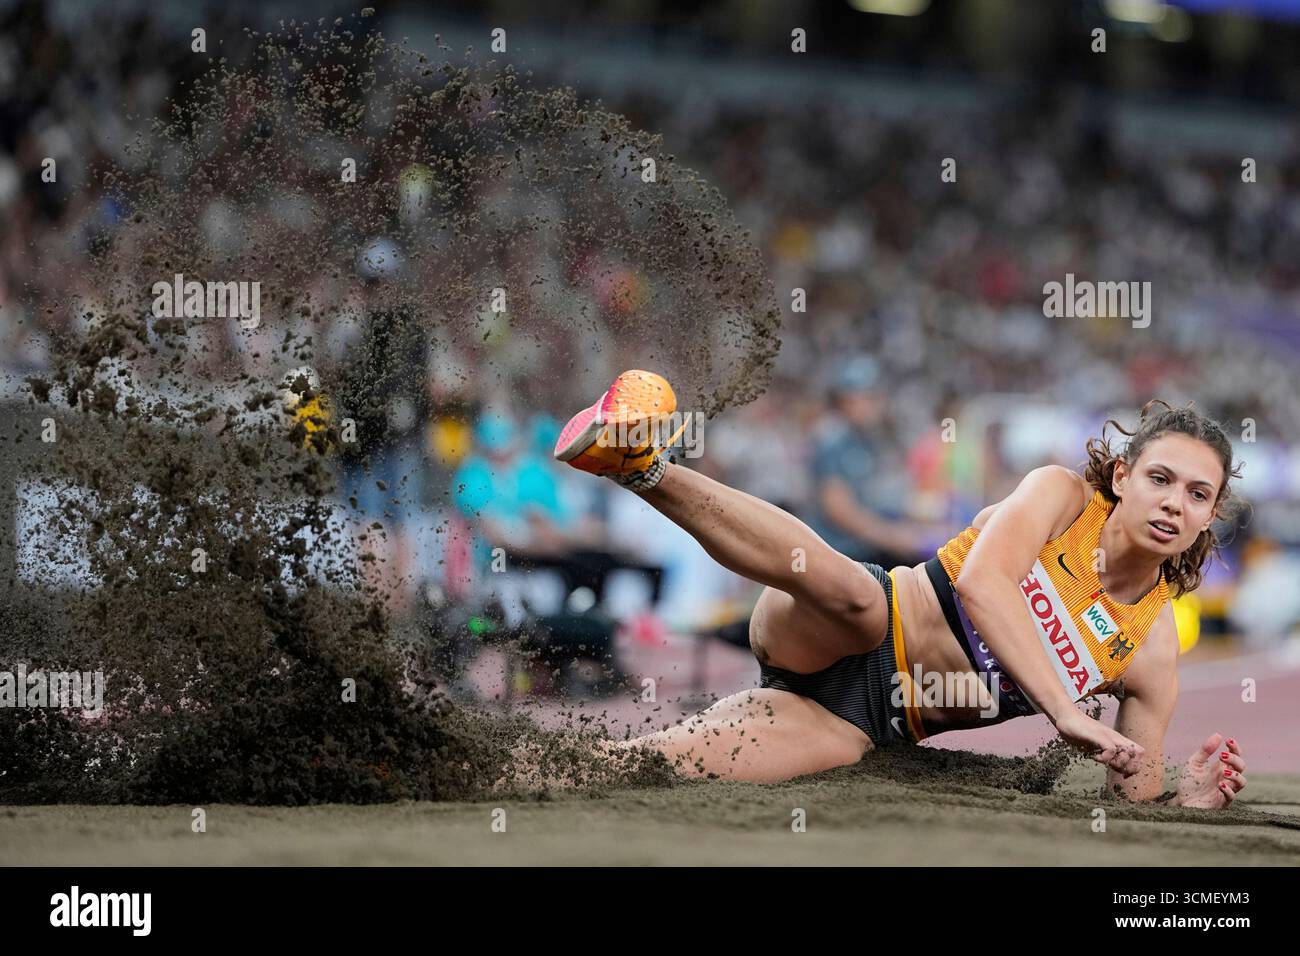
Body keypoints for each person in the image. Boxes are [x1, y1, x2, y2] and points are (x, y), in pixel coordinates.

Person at [553, 371, 1247, 809]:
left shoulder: (1152, 644)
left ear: (1210, 515)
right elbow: (982, 584)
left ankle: (489, 767)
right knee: (854, 597)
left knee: (652, 767)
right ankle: (641, 463)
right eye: (1160, 480)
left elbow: (1130, 791)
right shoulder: (1060, 495)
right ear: (1124, 477)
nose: (1172, 505)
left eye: (1196, 494)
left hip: (861, 722)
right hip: (849, 622)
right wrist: (1064, 708)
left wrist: (1184, 796)